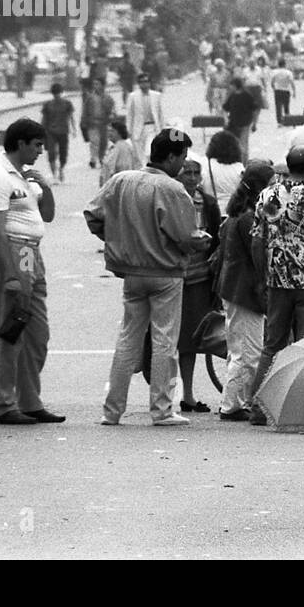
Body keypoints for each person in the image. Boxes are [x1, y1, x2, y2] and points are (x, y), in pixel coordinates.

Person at [86, 129, 211, 426]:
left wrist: (116, 238)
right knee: (164, 340)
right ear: (169, 157)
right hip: (165, 274)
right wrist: (200, 241)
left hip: (132, 273)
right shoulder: (173, 189)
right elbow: (184, 235)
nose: (182, 165)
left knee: (128, 339)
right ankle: (162, 409)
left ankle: (112, 411)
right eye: (181, 157)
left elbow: (92, 215)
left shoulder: (121, 181)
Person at [0, 118, 65, 425]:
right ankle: (3, 404)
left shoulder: (25, 176)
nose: (41, 151)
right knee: (9, 331)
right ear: (21, 144)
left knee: (35, 334)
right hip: (10, 253)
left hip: (31, 252)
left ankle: (29, 400)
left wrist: (44, 185)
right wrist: (12, 274)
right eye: (37, 145)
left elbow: (49, 215)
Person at [249, 146, 304, 406]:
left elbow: (256, 241)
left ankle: (258, 406)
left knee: (272, 345)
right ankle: (303, 406)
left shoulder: (267, 195)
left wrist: (262, 275)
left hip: (277, 280)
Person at [216, 160, 275, 421]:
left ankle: (235, 400)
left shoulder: (238, 213)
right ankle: (232, 405)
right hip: (245, 291)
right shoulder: (250, 218)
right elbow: (258, 254)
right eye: (272, 184)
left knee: (239, 349)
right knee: (249, 353)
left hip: (234, 289)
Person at [173, 155, 222, 414]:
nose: (191, 178)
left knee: (194, 337)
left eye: (195, 173)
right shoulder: (170, 199)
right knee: (175, 339)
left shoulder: (209, 204)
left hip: (201, 280)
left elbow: (216, 243)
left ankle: (188, 394)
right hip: (174, 278)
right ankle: (181, 393)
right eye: (186, 172)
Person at [38, 84, 76, 184]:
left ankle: (61, 169)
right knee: (51, 153)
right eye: (55, 93)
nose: (57, 95)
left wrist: (74, 129)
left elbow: (71, 117)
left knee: (63, 153)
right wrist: (40, 130)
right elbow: (44, 118)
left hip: (63, 131)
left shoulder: (67, 104)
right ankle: (54, 175)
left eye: (58, 93)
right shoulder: (47, 105)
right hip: (50, 132)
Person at [80, 78, 115, 172]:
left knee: (103, 142)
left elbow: (112, 110)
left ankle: (101, 158)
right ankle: (93, 159)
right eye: (94, 84)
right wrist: (83, 122)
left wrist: (112, 118)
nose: (96, 86)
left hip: (104, 123)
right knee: (94, 141)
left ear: (103, 85)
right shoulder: (90, 98)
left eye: (98, 84)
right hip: (92, 123)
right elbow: (84, 110)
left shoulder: (108, 98)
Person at [126, 73, 164, 157]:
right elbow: (130, 115)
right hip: (138, 128)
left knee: (149, 151)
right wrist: (128, 130)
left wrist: (162, 129)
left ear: (149, 83)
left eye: (146, 81)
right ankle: (144, 169)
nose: (144, 84)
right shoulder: (133, 96)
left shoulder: (156, 96)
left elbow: (160, 115)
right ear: (138, 84)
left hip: (152, 127)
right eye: (142, 82)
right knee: (140, 154)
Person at [222, 78, 259, 161]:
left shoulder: (245, 95)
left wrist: (254, 123)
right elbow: (225, 108)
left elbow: (254, 109)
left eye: (231, 85)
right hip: (235, 124)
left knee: (243, 145)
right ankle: (240, 161)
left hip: (243, 124)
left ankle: (243, 163)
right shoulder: (233, 95)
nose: (230, 87)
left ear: (235, 85)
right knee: (238, 145)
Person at [100, 121, 141, 187]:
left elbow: (124, 167)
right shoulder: (118, 147)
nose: (109, 133)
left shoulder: (122, 147)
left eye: (112, 131)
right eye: (108, 131)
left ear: (119, 132)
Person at [271, 58, 295, 125]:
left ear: (278, 64)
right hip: (286, 90)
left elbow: (272, 82)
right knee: (286, 105)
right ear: (285, 64)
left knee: (278, 106)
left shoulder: (275, 72)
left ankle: (279, 121)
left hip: (278, 90)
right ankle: (287, 119)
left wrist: (273, 87)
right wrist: (294, 91)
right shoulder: (288, 72)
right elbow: (291, 82)